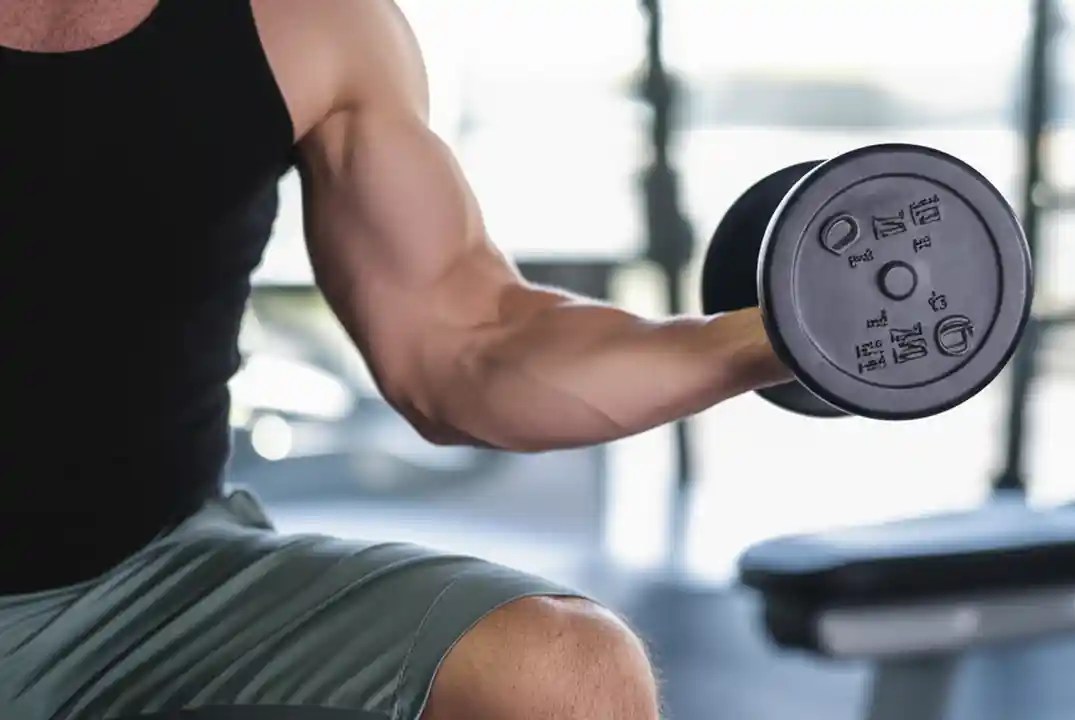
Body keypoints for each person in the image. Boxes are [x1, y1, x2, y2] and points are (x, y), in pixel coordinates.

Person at [0, 1, 790, 718]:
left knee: (565, 671)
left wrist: (780, 338)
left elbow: (466, 344)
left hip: (155, 595)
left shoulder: (304, 23)